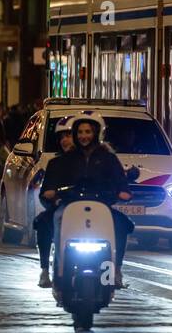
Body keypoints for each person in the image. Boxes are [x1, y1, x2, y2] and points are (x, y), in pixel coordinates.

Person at [39, 113, 134, 288]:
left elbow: (121, 183)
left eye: (88, 132)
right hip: (69, 207)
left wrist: (123, 192)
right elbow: (49, 187)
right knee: (50, 220)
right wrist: (51, 192)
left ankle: (116, 270)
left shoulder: (109, 158)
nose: (84, 136)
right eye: (80, 132)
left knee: (121, 224)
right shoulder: (64, 160)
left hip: (101, 207)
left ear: (96, 133)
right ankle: (54, 270)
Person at [34, 117, 76, 287]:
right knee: (42, 222)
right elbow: (45, 193)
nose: (65, 140)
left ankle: (115, 270)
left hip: (93, 210)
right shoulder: (55, 163)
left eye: (69, 135)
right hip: (63, 208)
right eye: (62, 137)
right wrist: (54, 197)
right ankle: (45, 269)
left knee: (122, 223)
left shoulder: (94, 159)